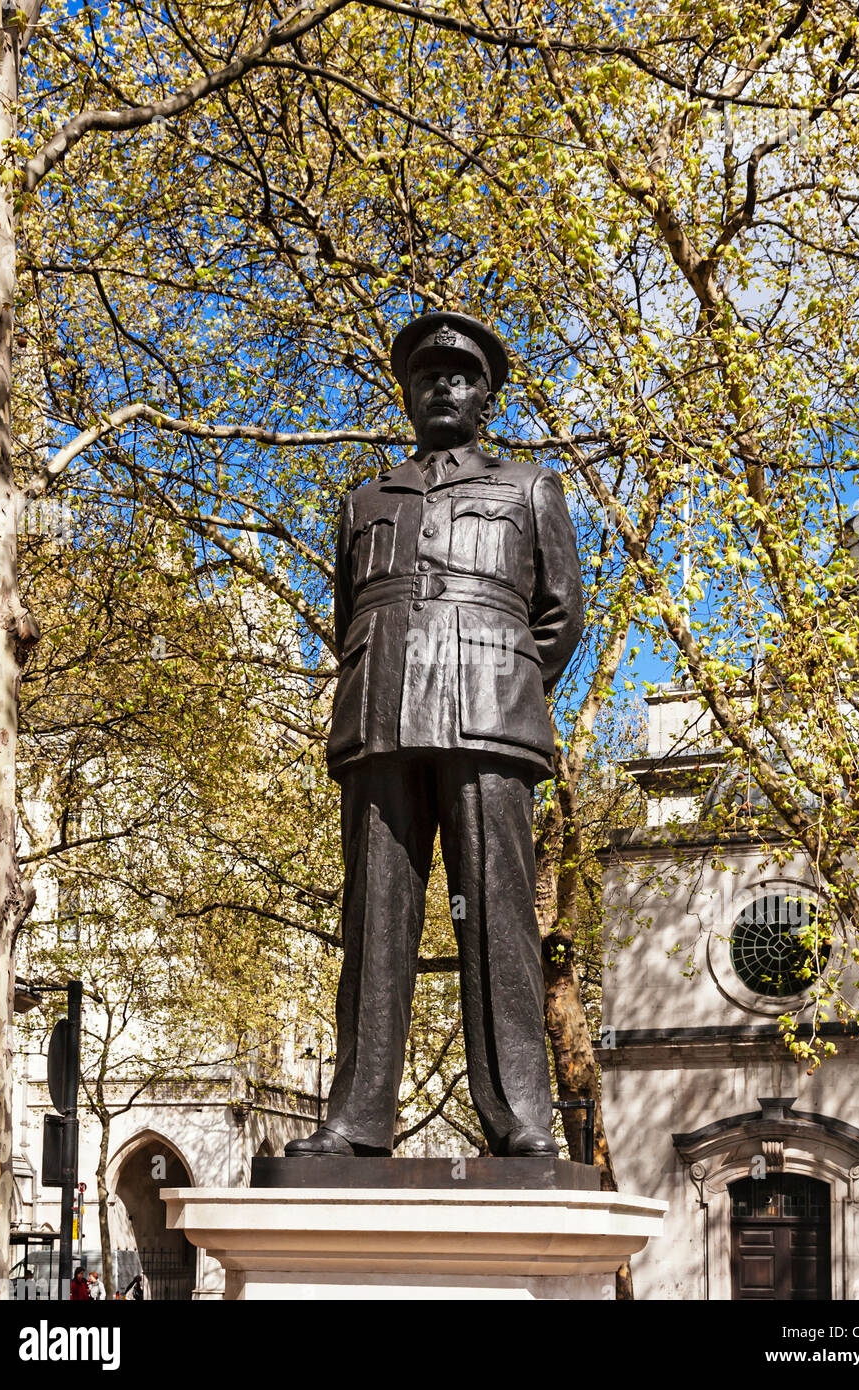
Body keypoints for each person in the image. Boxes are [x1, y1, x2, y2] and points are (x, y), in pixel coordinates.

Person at [287, 311, 584, 1159]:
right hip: (381, 712)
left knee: (497, 916)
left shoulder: (529, 488)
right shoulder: (365, 499)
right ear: (409, 393)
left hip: (488, 713)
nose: (443, 388)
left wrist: (502, 681)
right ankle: (356, 1117)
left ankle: (520, 1115)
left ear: (486, 396)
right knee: (374, 919)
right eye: (427, 377)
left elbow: (558, 614)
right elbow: (351, 613)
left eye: (460, 376)